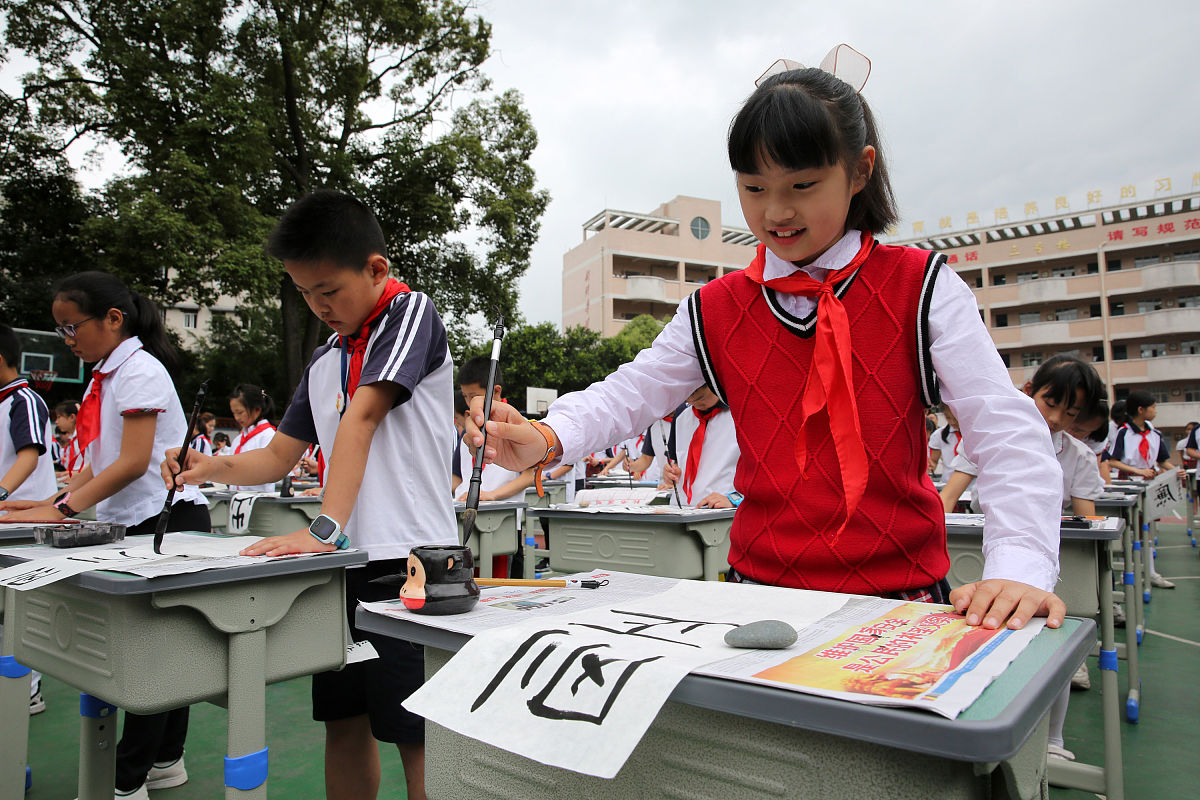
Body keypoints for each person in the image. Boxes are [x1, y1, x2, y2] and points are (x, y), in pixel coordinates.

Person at [465, 53, 1066, 631]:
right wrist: (548, 437)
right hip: (757, 601)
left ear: (860, 170)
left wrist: (1019, 568)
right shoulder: (716, 307)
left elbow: (1002, 427)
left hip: (899, 602)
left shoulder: (921, 286)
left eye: (802, 184)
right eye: (754, 189)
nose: (776, 211)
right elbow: (632, 392)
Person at [163, 190, 452, 800]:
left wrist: (323, 528)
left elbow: (363, 417)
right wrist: (203, 465)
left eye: (329, 290)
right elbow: (276, 456)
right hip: (337, 569)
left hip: (409, 560)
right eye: (303, 293)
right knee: (343, 722)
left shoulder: (409, 314)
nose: (319, 306)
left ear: (376, 269)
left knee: (418, 734)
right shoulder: (326, 357)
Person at [1, 272, 210, 799]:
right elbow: (101, 465)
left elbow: (136, 462)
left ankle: (125, 779)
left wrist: (63, 508)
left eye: (72, 328)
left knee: (155, 658)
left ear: (112, 320)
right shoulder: (105, 378)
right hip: (138, 521)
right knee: (165, 653)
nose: (67, 340)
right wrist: (49, 505)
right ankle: (163, 760)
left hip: (167, 520)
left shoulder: (138, 370)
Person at [0, 324, 59, 716]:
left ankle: (28, 689)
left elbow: (30, 454)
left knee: (21, 610)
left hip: (24, 521)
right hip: (7, 517)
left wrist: (1, 493)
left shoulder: (24, 399)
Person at [1106, 390, 1177, 589]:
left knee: (1145, 531)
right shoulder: (1124, 433)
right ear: (1141, 409)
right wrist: (1138, 470)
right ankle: (1128, 571)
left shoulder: (1155, 434)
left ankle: (1151, 572)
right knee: (1129, 532)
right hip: (1127, 486)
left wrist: (1176, 472)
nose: (1155, 411)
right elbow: (1113, 461)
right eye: (1153, 407)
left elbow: (1162, 461)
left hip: (1150, 487)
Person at [452, 357, 534, 504]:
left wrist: (491, 494)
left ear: (496, 391)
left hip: (501, 513)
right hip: (463, 505)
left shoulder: (520, 426)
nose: (470, 403)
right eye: (465, 396)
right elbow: (457, 478)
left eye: (474, 396)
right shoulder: (468, 431)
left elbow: (528, 477)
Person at [655, 388, 740, 508]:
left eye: (700, 398)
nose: (695, 403)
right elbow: (677, 461)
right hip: (681, 507)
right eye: (688, 399)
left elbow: (764, 471)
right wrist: (670, 473)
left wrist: (735, 499)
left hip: (721, 511)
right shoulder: (681, 417)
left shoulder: (741, 415)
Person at [226, 384, 276, 491]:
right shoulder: (238, 440)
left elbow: (267, 471)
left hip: (258, 500)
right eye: (234, 413)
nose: (237, 418)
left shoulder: (268, 436)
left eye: (240, 412)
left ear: (257, 410)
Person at [927, 405, 961, 479]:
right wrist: (930, 465)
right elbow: (933, 461)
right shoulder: (939, 435)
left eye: (955, 417)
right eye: (948, 417)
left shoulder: (975, 434)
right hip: (948, 481)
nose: (952, 421)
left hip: (974, 485)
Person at [54, 400, 86, 477]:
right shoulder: (71, 441)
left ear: (72, 417)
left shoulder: (84, 439)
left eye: (59, 417)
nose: (56, 422)